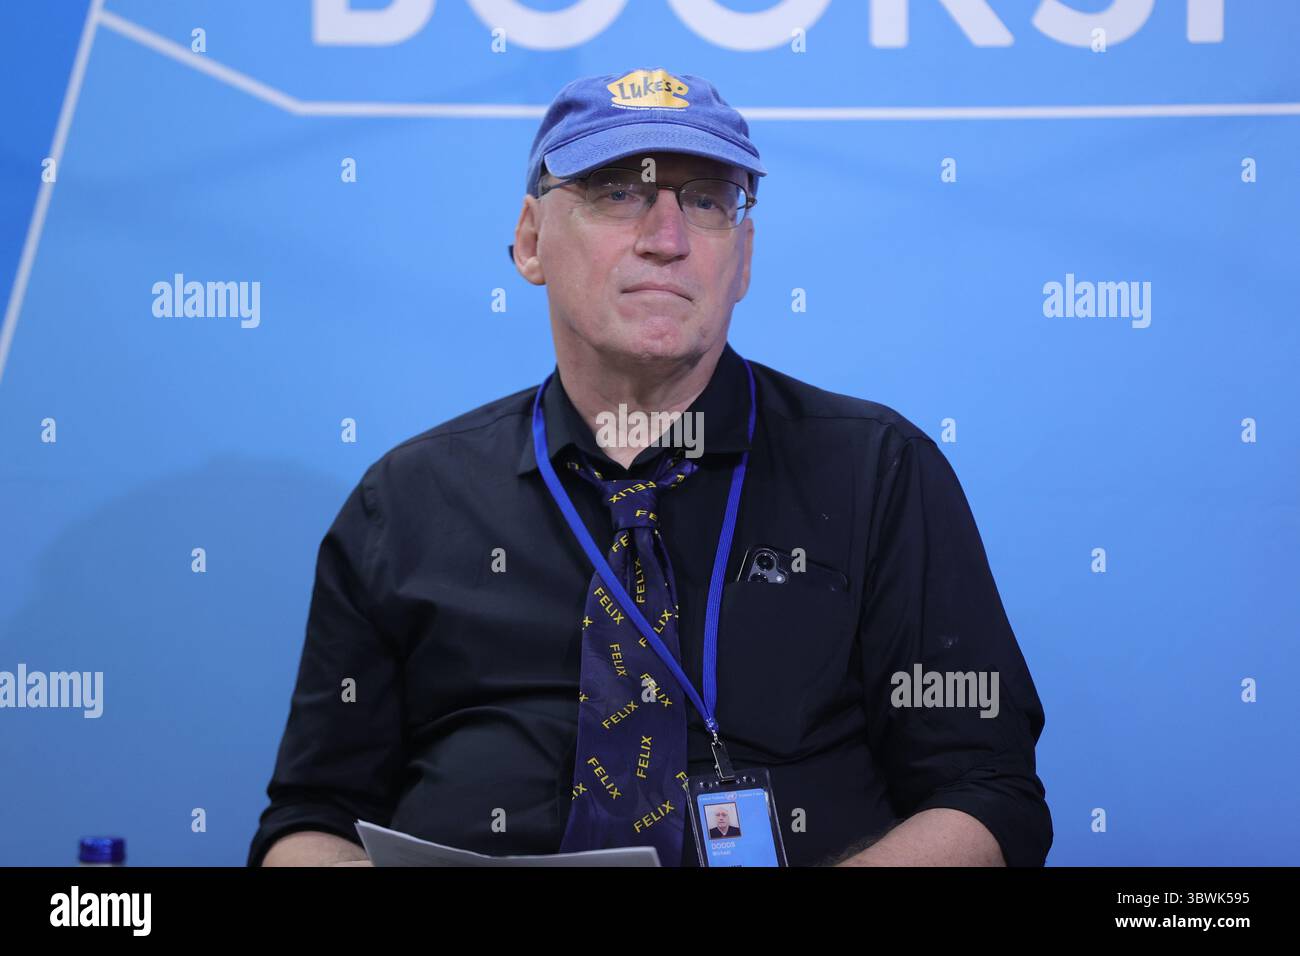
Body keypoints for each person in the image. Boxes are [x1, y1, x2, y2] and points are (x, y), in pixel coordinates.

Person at [249, 67, 1052, 868]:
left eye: (706, 200)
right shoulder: (407, 501)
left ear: (742, 259)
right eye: (616, 193)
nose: (666, 238)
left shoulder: (878, 472)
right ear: (530, 241)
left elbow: (987, 790)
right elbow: (311, 818)